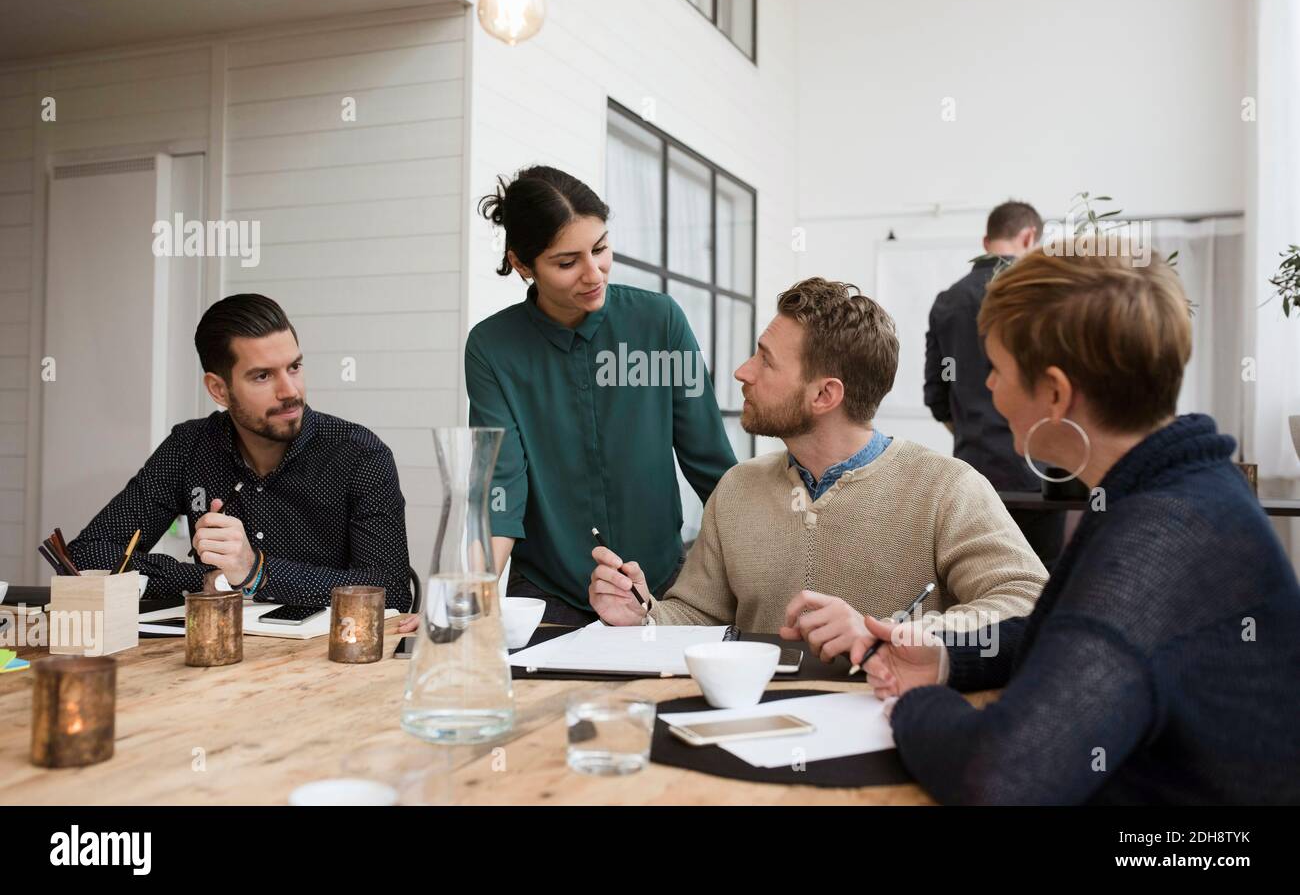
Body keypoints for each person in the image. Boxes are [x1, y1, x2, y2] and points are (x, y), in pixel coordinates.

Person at [859, 247, 1300, 804]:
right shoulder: (1177, 484)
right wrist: (947, 659)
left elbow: (1002, 779)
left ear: (1055, 393)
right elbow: (1084, 632)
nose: (989, 386)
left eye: (996, 367)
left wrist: (912, 706)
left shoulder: (1163, 532)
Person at [589, 277, 1048, 653]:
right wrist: (644, 613)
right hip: (749, 730)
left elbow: (1026, 600)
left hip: (883, 732)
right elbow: (698, 616)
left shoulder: (947, 488)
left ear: (825, 395)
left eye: (766, 361)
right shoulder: (736, 488)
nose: (742, 372)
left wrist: (885, 633)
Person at [399, 165, 735, 631]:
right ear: (522, 264)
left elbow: (711, 462)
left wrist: (765, 582)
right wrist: (459, 603)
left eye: (600, 249)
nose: (593, 273)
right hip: (547, 594)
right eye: (566, 262)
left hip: (659, 587)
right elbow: (501, 488)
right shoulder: (493, 348)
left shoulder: (660, 323)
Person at [67, 294, 413, 610]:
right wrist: (207, 580)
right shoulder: (189, 447)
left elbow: (389, 591)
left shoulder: (359, 454)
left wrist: (254, 571)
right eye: (263, 376)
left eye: (294, 367)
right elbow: (88, 554)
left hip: (328, 661)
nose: (289, 391)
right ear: (219, 389)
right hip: (212, 655)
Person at [925, 201, 1066, 569]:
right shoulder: (1043, 296)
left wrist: (974, 430)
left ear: (985, 240)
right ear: (1029, 236)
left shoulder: (947, 301)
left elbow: (936, 395)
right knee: (1040, 583)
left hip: (973, 474)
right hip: (1038, 475)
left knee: (980, 586)